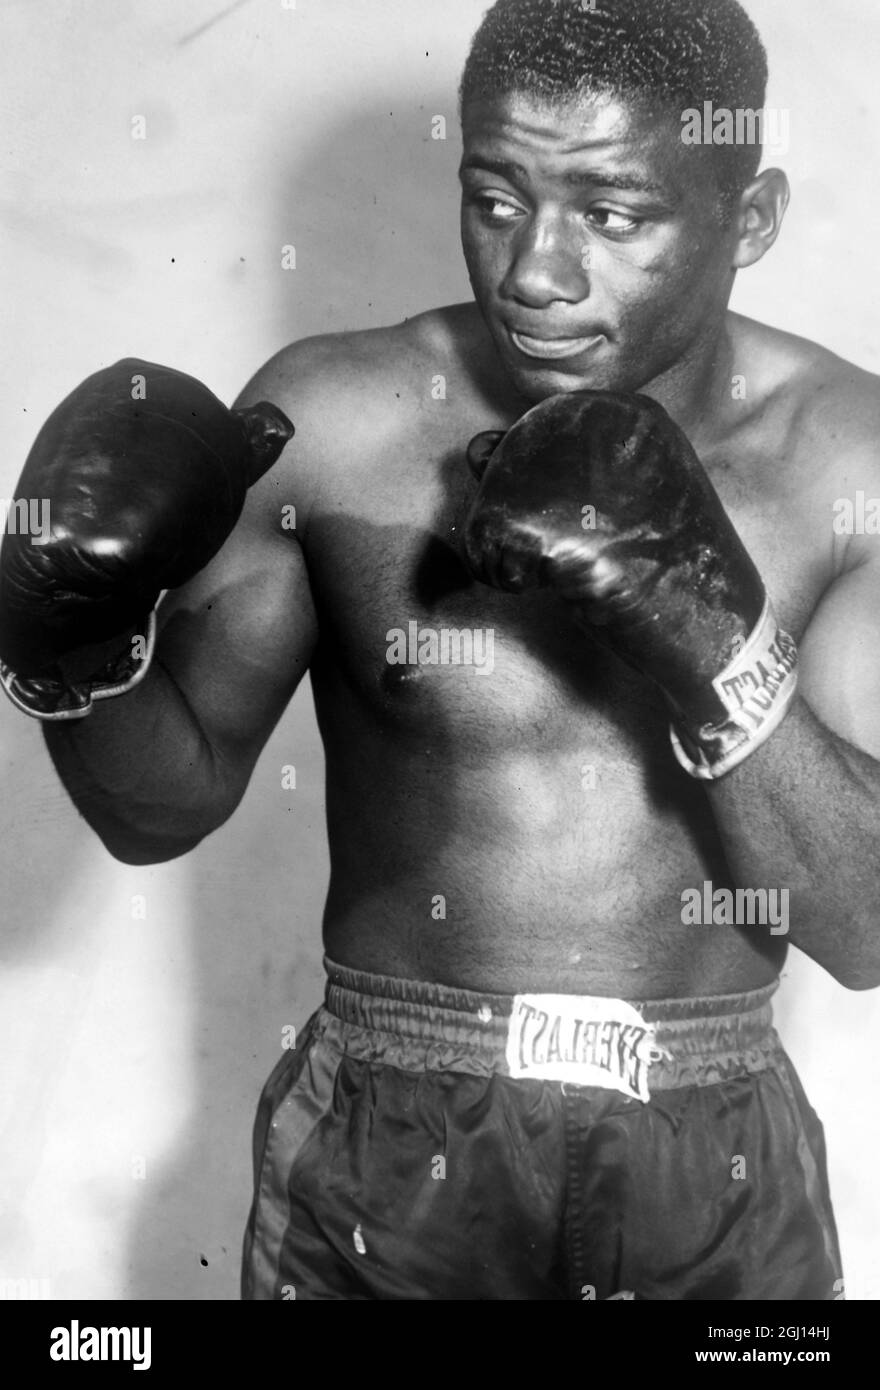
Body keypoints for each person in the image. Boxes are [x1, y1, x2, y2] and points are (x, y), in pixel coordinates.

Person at [2, 0, 877, 1300]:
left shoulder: (840, 463)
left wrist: (708, 627)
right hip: (391, 1137)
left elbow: (864, 923)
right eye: (496, 196)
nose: (536, 270)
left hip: (708, 1142)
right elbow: (157, 808)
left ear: (747, 220)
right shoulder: (339, 421)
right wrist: (66, 639)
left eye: (614, 214)